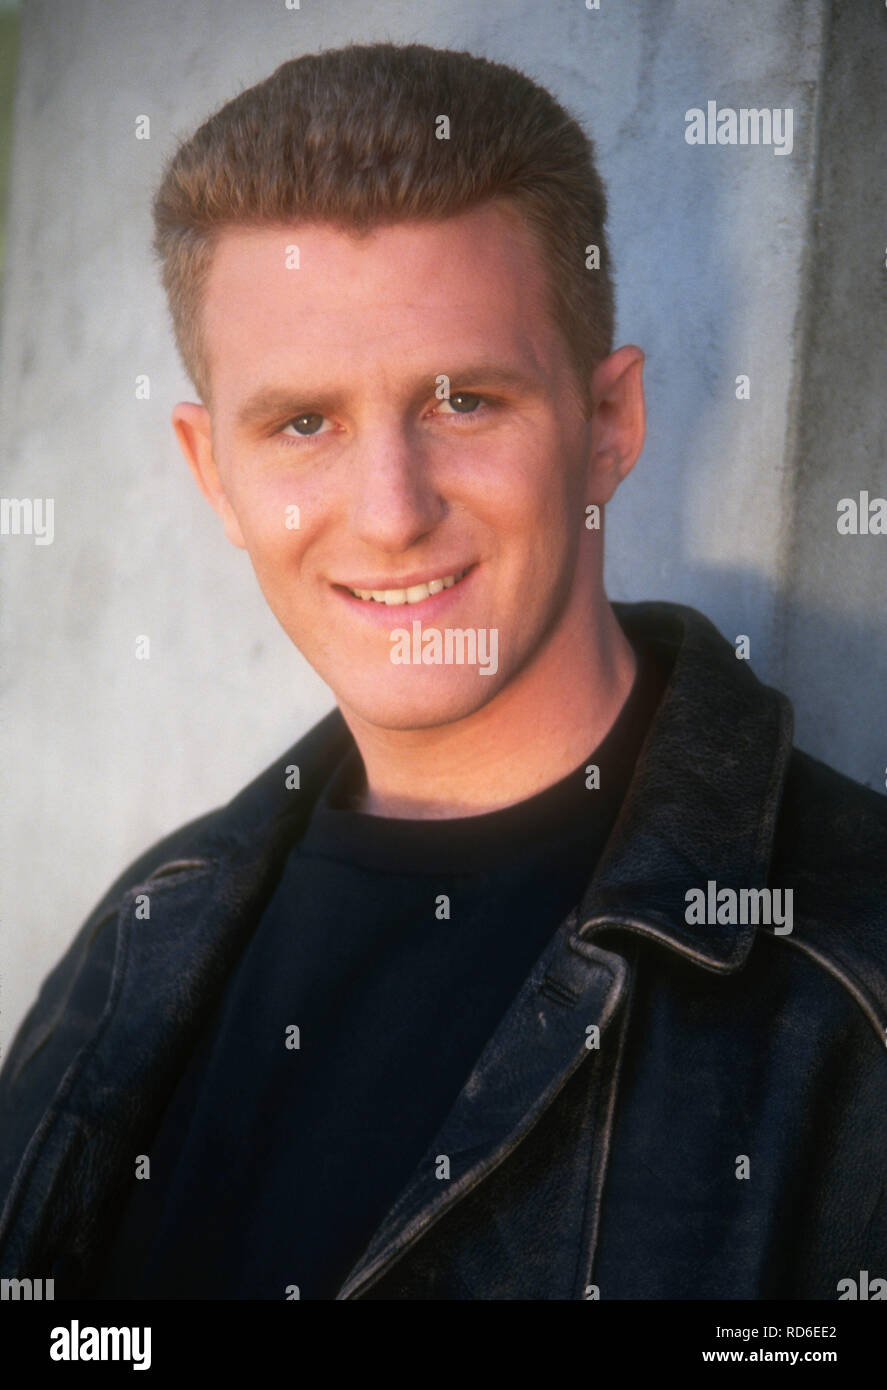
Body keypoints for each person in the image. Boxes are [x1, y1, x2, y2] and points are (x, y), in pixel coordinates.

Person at [0, 42, 884, 1302]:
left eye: (463, 400)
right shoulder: (145, 931)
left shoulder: (850, 981)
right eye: (302, 422)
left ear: (610, 425)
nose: (389, 510)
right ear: (215, 476)